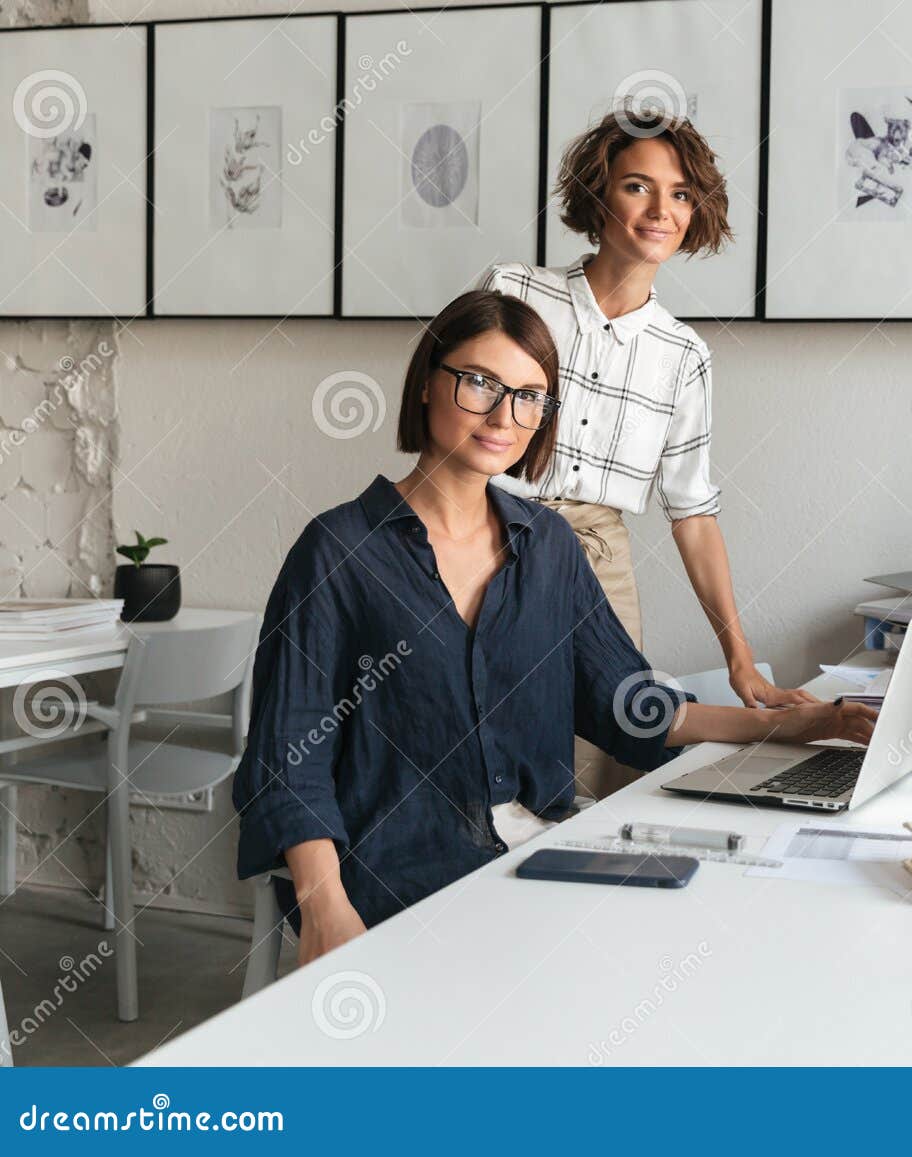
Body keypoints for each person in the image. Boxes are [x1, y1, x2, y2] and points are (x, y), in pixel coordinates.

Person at [233, 290, 875, 964]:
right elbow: (287, 758)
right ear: (427, 383)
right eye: (480, 383)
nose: (505, 415)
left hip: (544, 861)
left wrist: (795, 725)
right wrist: (324, 901)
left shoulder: (547, 545)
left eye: (531, 396)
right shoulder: (339, 550)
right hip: (402, 880)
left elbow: (631, 704)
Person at [477, 109, 815, 800]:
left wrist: (740, 662)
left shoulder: (683, 355)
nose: (663, 209)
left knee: (602, 765)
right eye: (639, 186)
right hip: (485, 539)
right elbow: (453, 427)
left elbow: (692, 512)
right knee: (485, 750)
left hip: (600, 559)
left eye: (683, 194)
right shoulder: (515, 291)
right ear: (599, 194)